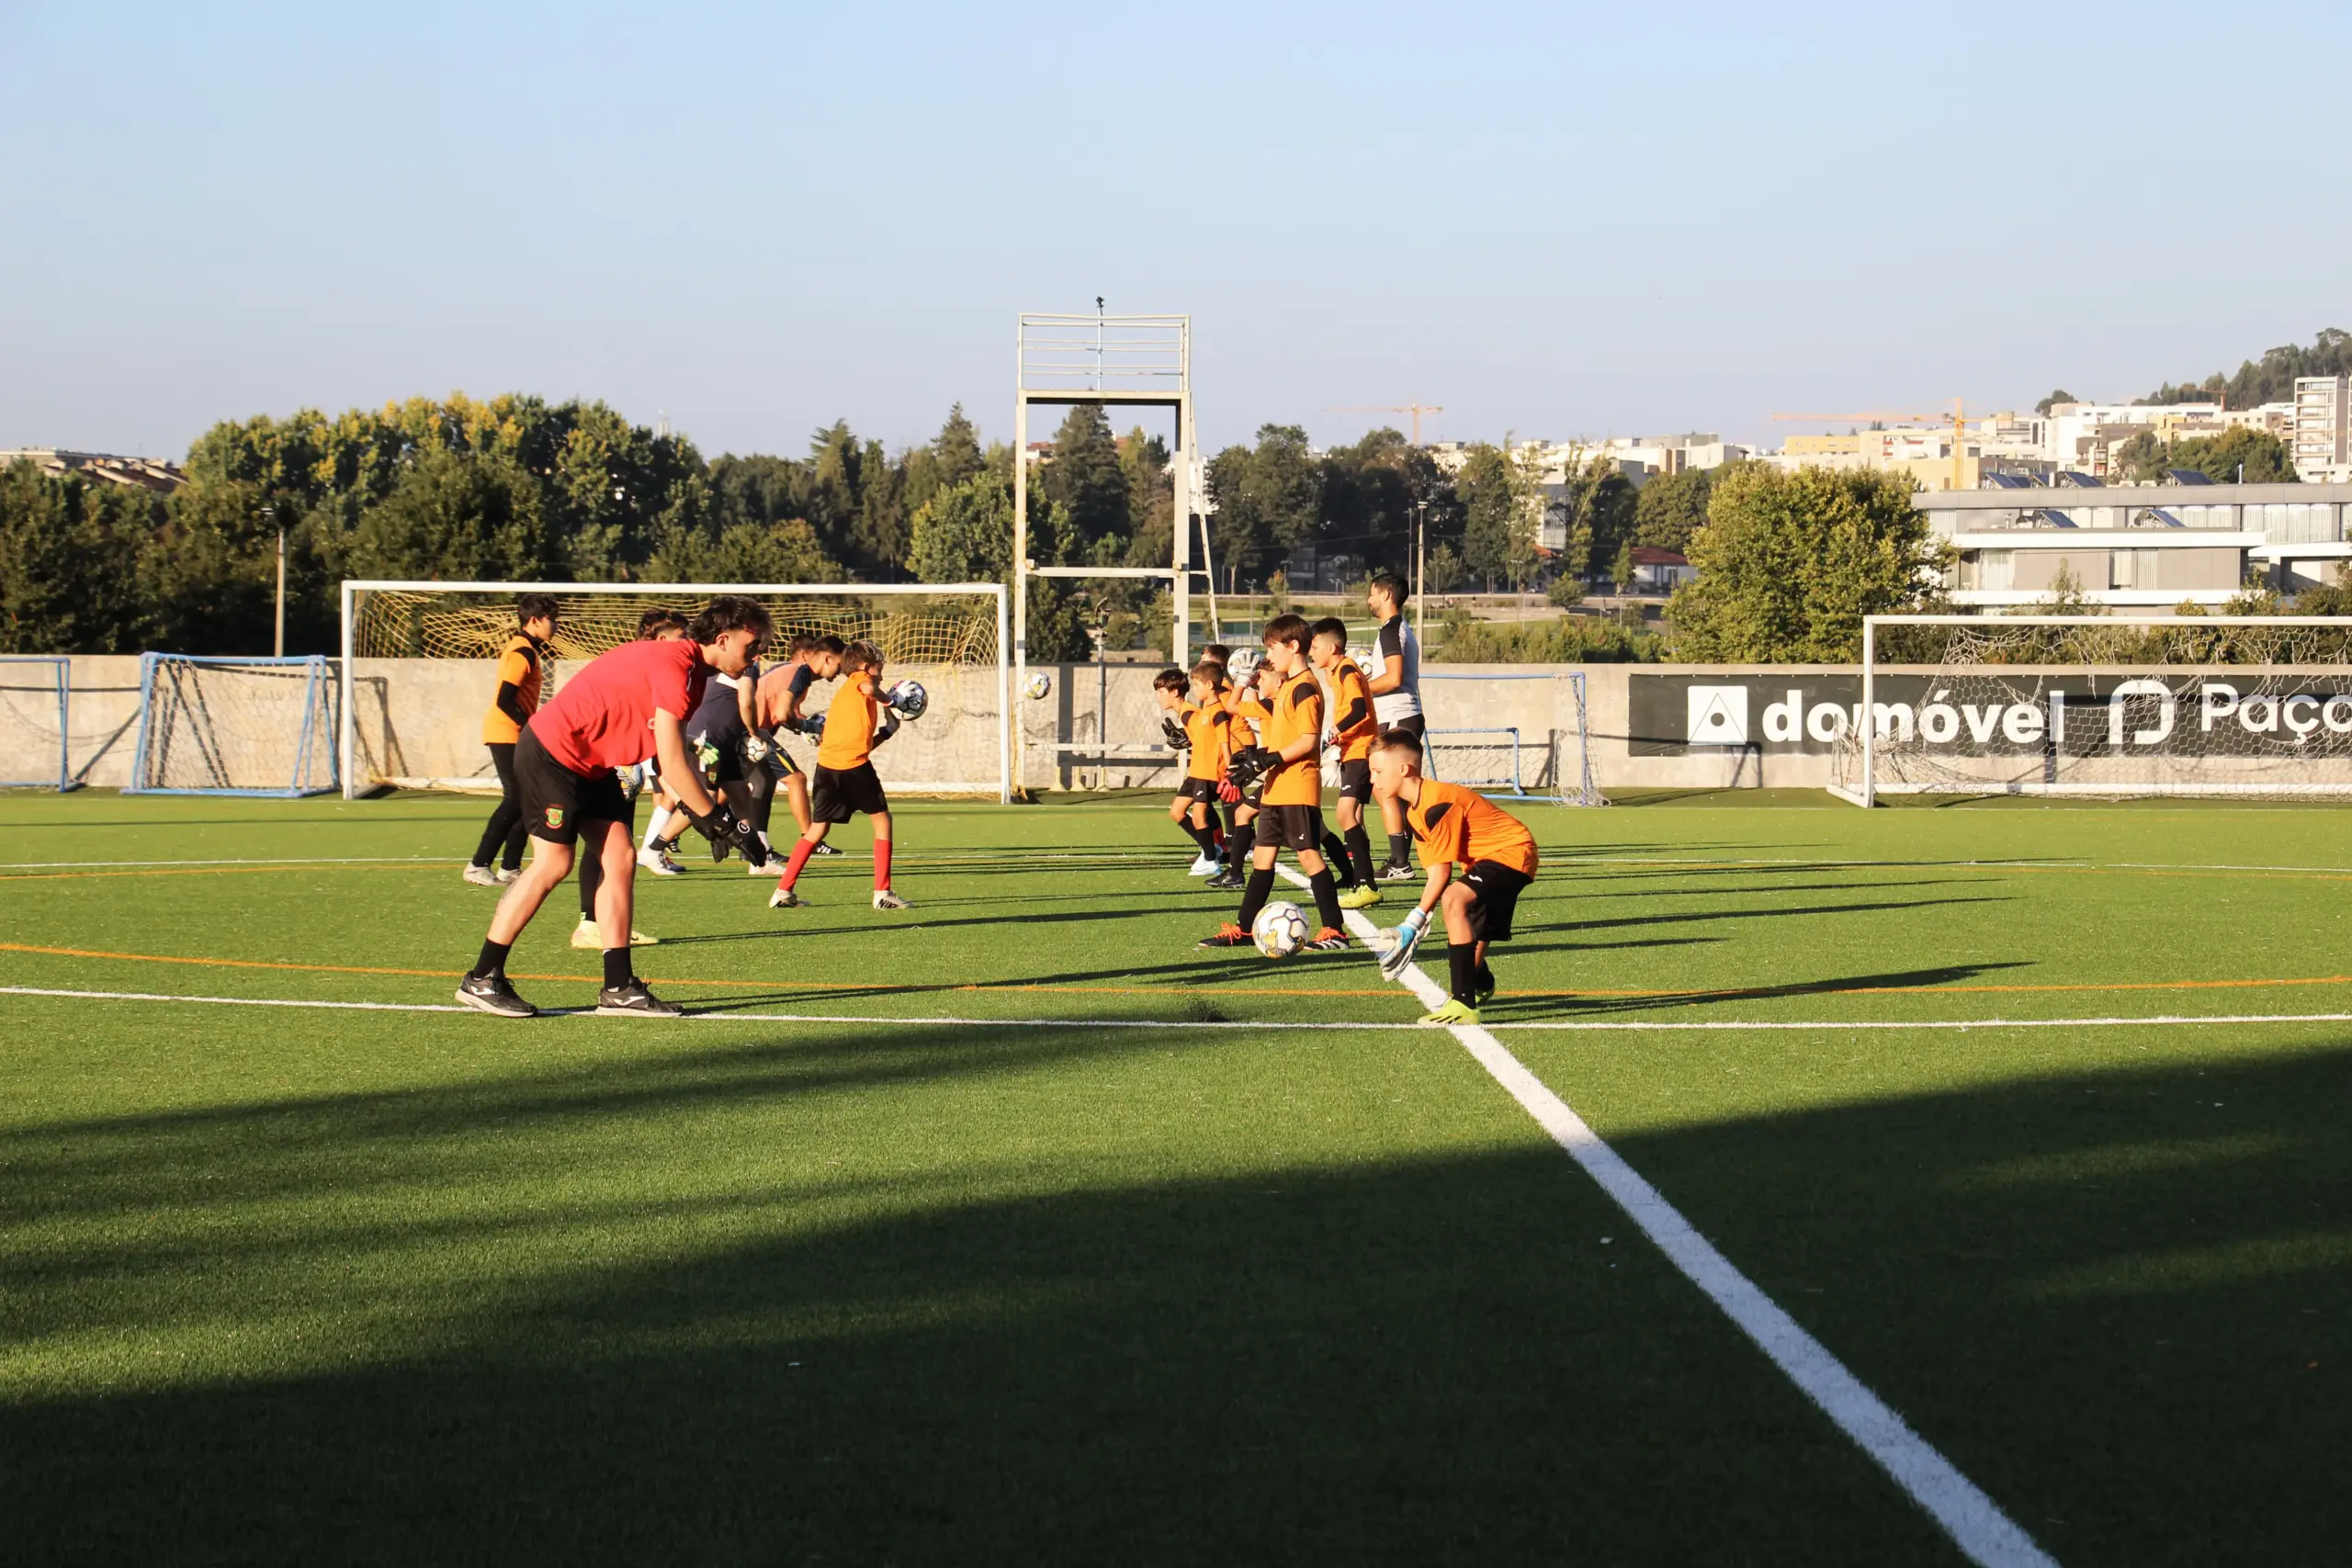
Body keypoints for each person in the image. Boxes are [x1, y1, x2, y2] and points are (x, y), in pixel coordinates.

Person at [457, 596, 774, 1019]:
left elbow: (670, 753)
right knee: (554, 863)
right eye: (752, 646)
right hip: (553, 753)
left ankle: (619, 987)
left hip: (592, 763)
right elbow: (673, 763)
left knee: (620, 857)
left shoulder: (696, 672)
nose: (757, 655)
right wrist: (723, 823)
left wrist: (708, 817)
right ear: (722, 639)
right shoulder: (677, 666)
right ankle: (482, 978)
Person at [1366, 727, 1540, 1026]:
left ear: (1404, 769)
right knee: (1470, 962)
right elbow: (1435, 871)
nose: (1372, 780)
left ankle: (1463, 1004)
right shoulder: (1414, 813)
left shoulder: (1438, 802)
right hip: (1481, 864)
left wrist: (1413, 923)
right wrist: (1416, 921)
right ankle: (1481, 983)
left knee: (1453, 899)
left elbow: (1443, 875)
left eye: (1378, 771)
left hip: (1512, 852)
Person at [1198, 615, 1348, 952]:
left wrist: (1269, 759)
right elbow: (1282, 738)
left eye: (1272, 648)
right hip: (1275, 789)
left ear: (1293, 647)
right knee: (1262, 860)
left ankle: (1335, 932)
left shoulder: (1305, 687)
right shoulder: (1288, 689)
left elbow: (1308, 741)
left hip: (1297, 787)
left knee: (1309, 858)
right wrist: (1256, 760)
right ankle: (1244, 929)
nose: (1268, 655)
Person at [766, 639, 911, 911]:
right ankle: (882, 892)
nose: (881, 676)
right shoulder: (861, 680)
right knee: (882, 821)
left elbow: (860, 745)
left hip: (827, 768)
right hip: (853, 768)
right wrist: (892, 701)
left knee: (817, 829)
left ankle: (783, 891)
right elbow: (870, 687)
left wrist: (888, 731)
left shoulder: (848, 694)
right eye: (880, 669)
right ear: (866, 666)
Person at [572, 607, 684, 950]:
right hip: (603, 762)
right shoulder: (640, 667)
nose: (688, 645)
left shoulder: (646, 666)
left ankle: (601, 924)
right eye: (681, 638)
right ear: (662, 639)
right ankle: (592, 925)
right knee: (602, 848)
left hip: (617, 761)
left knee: (611, 847)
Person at [464, 594, 557, 887]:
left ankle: (510, 868)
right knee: (516, 797)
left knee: (526, 799)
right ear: (535, 620)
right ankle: (478, 865)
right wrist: (531, 728)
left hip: (515, 733)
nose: (556, 625)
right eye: (552, 619)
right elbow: (505, 700)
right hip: (506, 732)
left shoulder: (528, 649)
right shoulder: (522, 652)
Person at [742, 633, 845, 863]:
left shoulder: (794, 673)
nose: (840, 671)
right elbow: (783, 714)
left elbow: (786, 712)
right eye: (840, 664)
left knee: (751, 785)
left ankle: (757, 846)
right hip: (751, 734)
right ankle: (810, 840)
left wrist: (805, 726)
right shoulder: (799, 674)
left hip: (749, 733)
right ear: (827, 658)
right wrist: (809, 727)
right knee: (796, 779)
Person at [1308, 616, 1382, 905]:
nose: (1311, 652)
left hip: (1361, 751)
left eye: (1315, 646)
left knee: (1344, 813)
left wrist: (1334, 731)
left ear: (1332, 647)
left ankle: (1366, 885)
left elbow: (1359, 709)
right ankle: (1362, 882)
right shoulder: (1336, 672)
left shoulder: (1347, 670)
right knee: (1350, 815)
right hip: (1352, 749)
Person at [1363, 572, 1425, 881]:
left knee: (1387, 788)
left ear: (1386, 594)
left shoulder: (1391, 629)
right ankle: (1401, 860)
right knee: (1396, 790)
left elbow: (1393, 678)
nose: (1369, 600)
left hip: (1399, 715)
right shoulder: (1396, 628)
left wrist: (1359, 687)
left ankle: (1401, 862)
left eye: (1372, 593)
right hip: (1402, 715)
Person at [1154, 665, 1231, 874]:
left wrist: (1188, 740)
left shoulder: (1188, 713)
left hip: (1206, 770)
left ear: (1174, 692)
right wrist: (1187, 739)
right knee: (1177, 812)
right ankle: (1211, 848)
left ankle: (1210, 856)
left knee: (1199, 816)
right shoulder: (1186, 713)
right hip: (1197, 769)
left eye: (1161, 692)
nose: (1158, 697)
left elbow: (1210, 737)